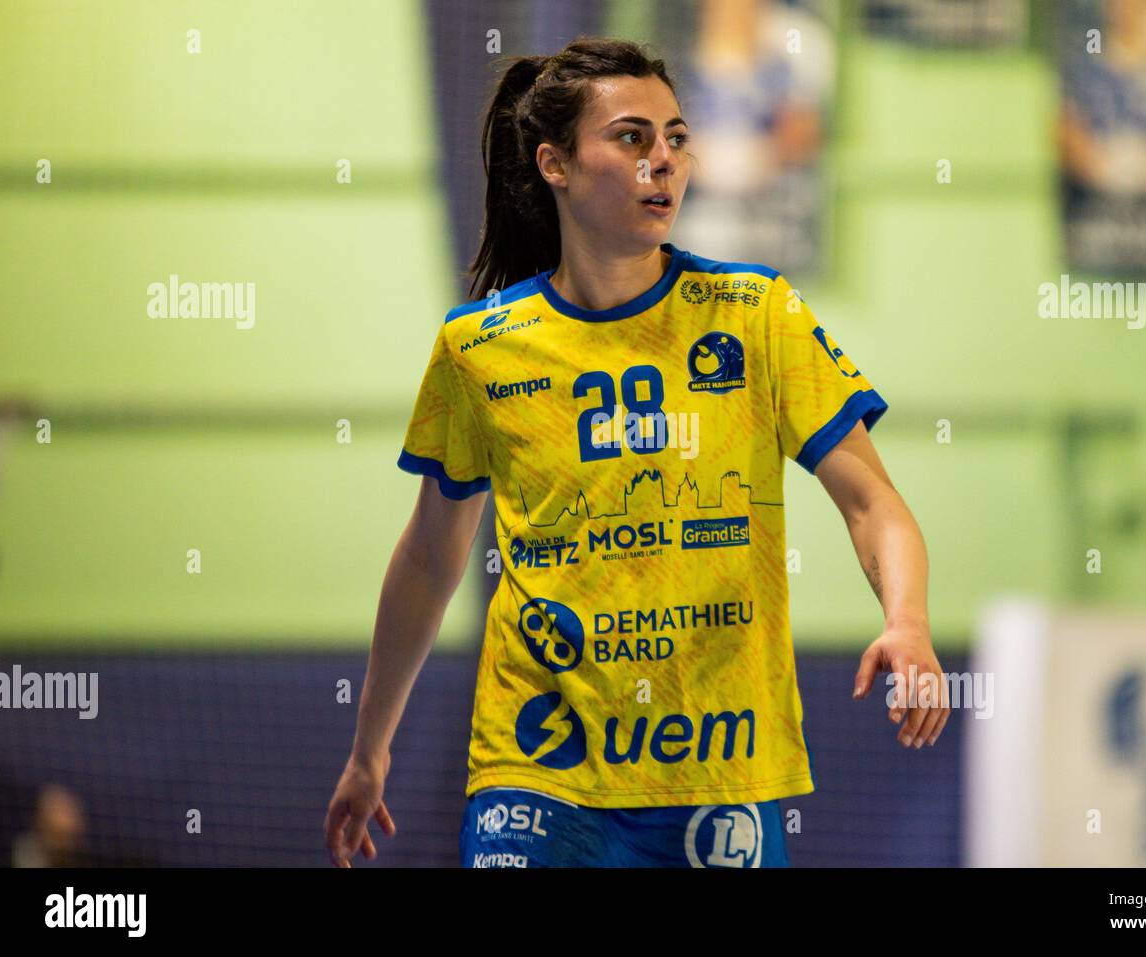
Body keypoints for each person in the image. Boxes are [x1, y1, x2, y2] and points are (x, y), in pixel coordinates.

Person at [324, 35, 945, 869]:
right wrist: (370, 749)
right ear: (555, 164)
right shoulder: (481, 349)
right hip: (536, 771)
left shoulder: (756, 317)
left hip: (716, 774)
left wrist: (906, 622)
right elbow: (431, 557)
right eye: (631, 137)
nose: (665, 159)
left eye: (677, 137)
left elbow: (874, 504)